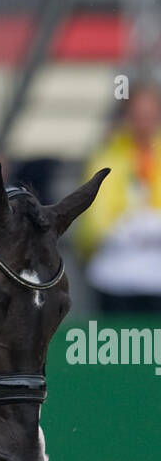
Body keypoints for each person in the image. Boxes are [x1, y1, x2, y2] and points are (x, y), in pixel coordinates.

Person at [76, 84, 161, 311]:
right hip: (115, 273)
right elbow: (94, 216)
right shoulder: (107, 155)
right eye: (138, 114)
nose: (144, 121)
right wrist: (120, 229)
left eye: (150, 114)